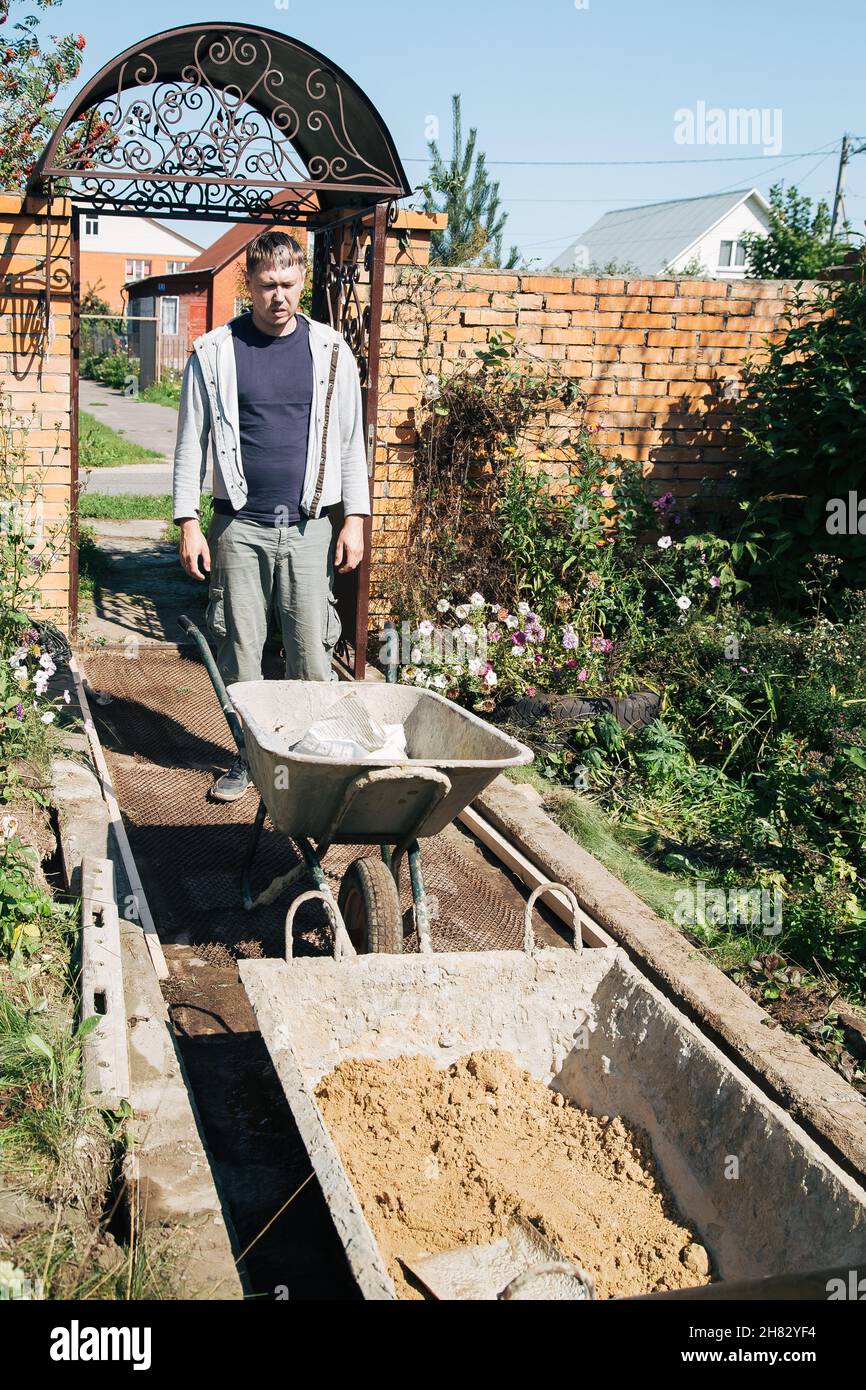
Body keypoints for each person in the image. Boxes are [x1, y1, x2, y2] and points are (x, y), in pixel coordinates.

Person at [172, 229, 370, 801]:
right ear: (249, 286)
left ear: (301, 281)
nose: (277, 296)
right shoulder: (214, 352)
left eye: (286, 284)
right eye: (266, 285)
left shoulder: (331, 351)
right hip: (239, 526)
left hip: (310, 527)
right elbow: (192, 442)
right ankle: (250, 758)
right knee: (242, 648)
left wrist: (353, 517)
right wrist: (188, 521)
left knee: (312, 648)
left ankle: (309, 764)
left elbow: (352, 441)